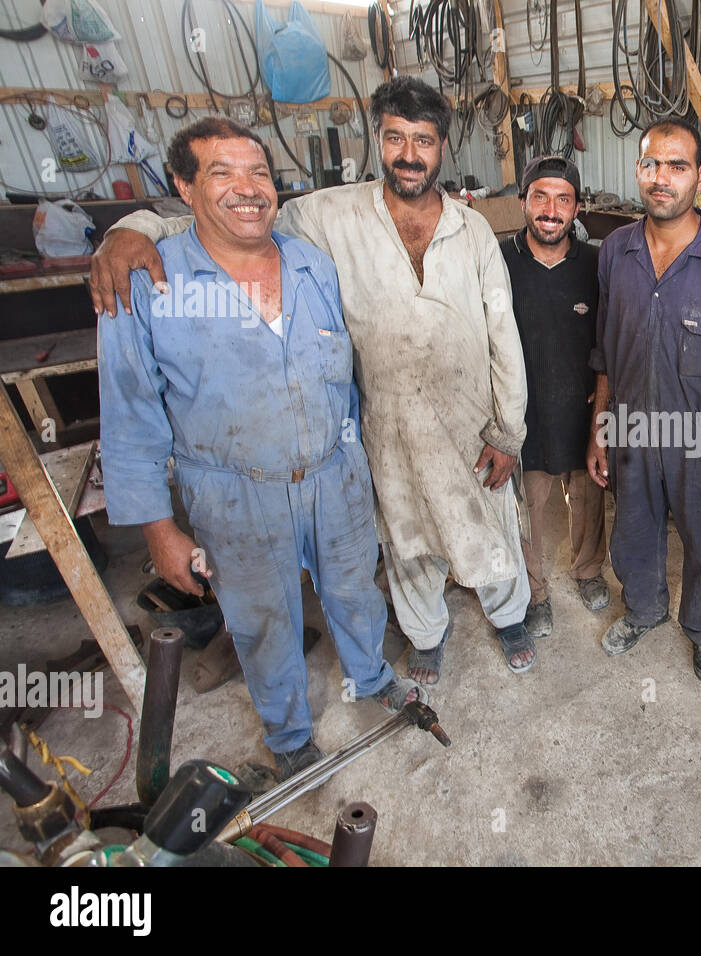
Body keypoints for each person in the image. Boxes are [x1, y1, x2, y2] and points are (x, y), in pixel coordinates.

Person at [91, 77, 535, 685]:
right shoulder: (329, 214)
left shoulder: (474, 229)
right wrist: (132, 228)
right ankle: (427, 635)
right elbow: (233, 218)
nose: (409, 154)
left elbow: (504, 335)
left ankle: (509, 616)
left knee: (492, 524)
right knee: (406, 539)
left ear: (442, 148)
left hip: (470, 419)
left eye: (424, 141)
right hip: (388, 425)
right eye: (396, 137)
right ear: (378, 140)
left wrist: (509, 430)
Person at [98, 119, 424, 779]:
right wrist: (159, 532)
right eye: (222, 173)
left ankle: (371, 673)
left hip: (335, 472)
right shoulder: (147, 282)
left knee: (356, 589)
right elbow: (130, 415)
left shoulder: (312, 263)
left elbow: (348, 376)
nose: (248, 190)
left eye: (259, 174)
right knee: (262, 619)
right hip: (231, 490)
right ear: (184, 188)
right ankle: (288, 733)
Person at [587, 119, 701, 683]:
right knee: (633, 529)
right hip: (634, 432)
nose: (660, 178)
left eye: (676, 166)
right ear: (637, 171)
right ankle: (642, 610)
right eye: (650, 165)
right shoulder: (615, 252)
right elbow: (605, 349)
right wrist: (599, 427)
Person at [501, 155, 610, 639]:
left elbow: (609, 342)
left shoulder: (596, 264)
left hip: (582, 410)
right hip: (523, 414)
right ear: (523, 202)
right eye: (539, 197)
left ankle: (588, 571)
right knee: (525, 509)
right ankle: (535, 592)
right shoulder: (499, 262)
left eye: (562, 199)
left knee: (588, 499)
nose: (550, 209)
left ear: (577, 208)